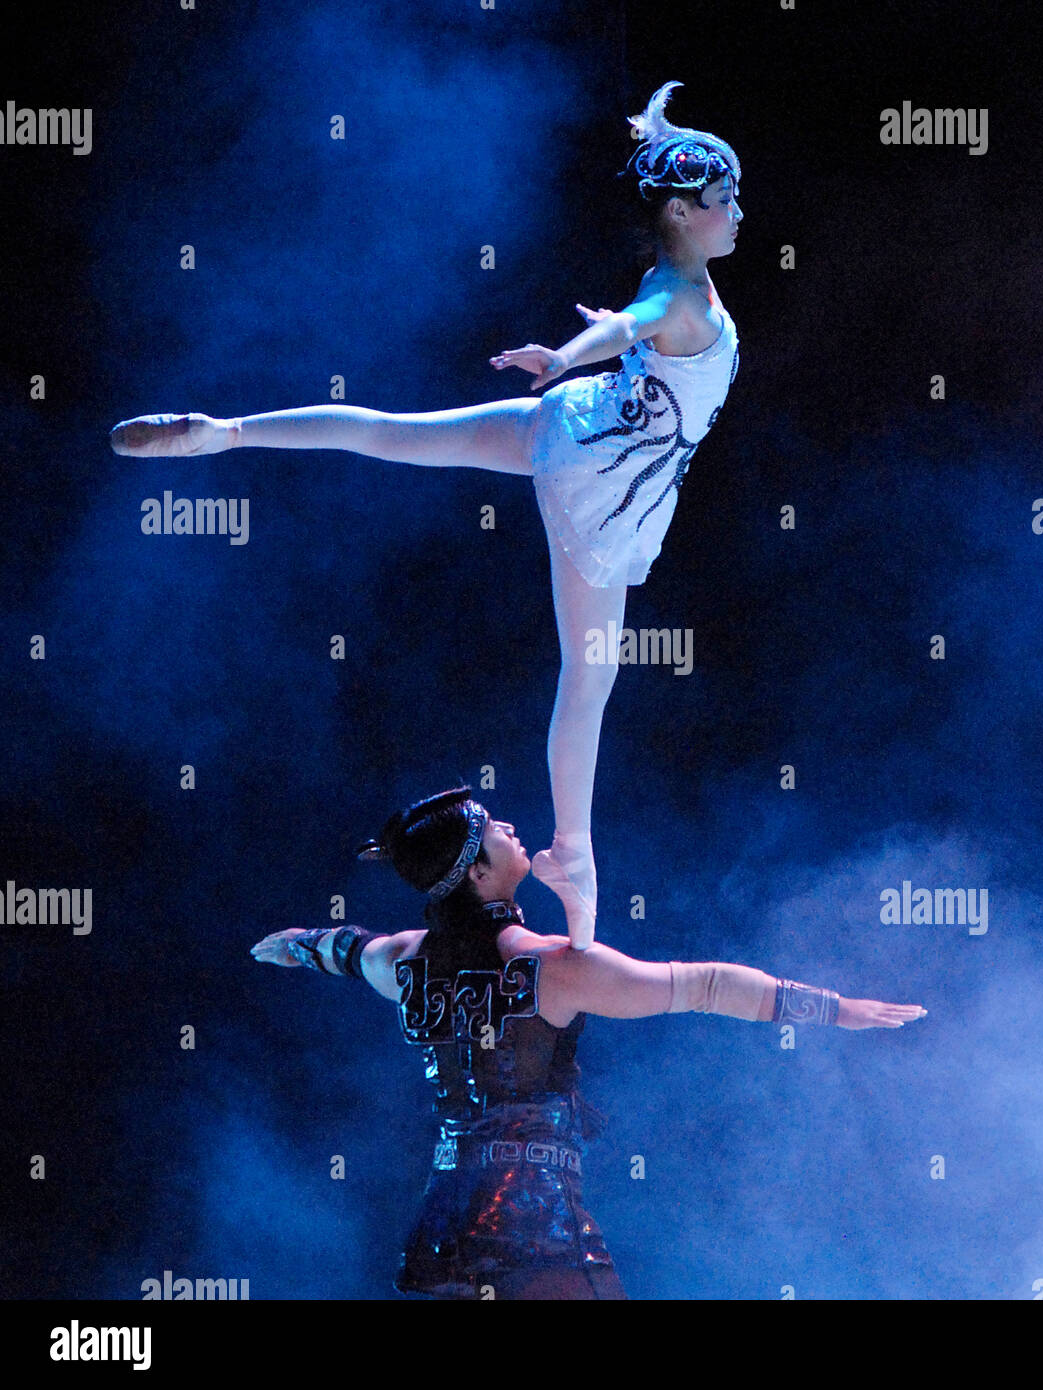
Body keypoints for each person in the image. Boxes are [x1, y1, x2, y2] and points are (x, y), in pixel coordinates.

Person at [114, 82, 744, 952]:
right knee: (587, 678)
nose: (736, 214)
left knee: (389, 435)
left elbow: (636, 330)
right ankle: (573, 858)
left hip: (576, 428)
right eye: (722, 202)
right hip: (603, 474)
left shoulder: (672, 281)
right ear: (680, 210)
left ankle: (223, 433)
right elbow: (633, 328)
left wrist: (604, 342)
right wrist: (570, 349)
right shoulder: (677, 295)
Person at [249, 786, 927, 1301]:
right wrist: (837, 1009)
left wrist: (293, 946)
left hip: (443, 1227)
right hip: (533, 1230)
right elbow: (710, 986)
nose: (510, 827)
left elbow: (339, 948)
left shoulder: (403, 961)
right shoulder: (554, 967)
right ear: (476, 873)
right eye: (493, 829)